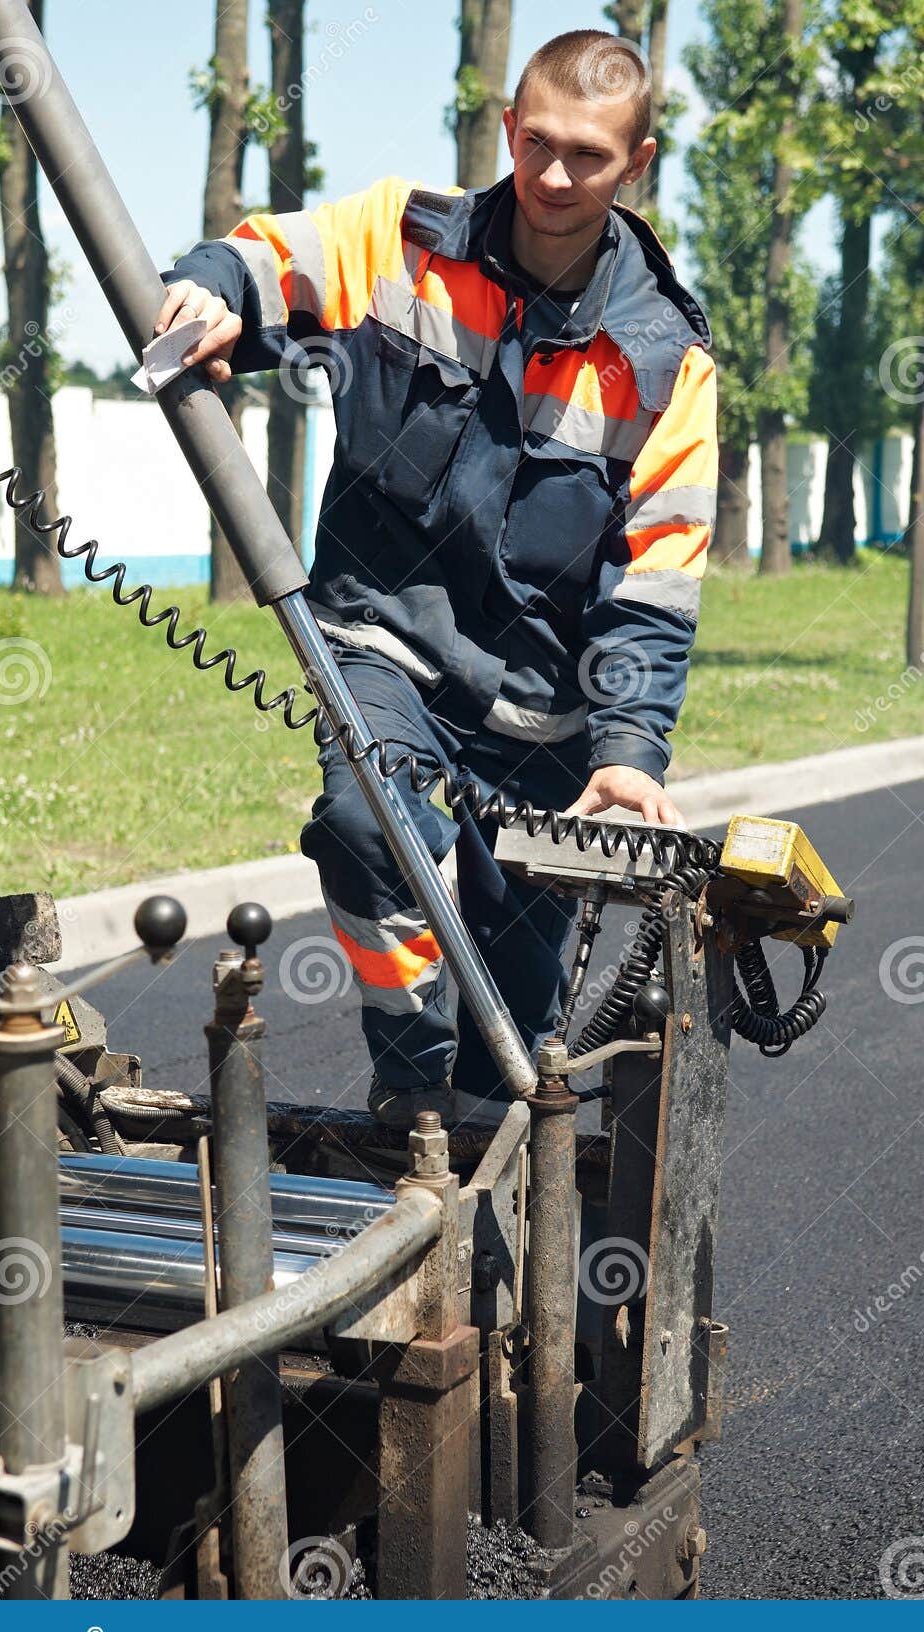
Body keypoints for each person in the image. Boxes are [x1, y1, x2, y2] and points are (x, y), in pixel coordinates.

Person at [155, 28, 717, 1128]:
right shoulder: (397, 238)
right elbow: (266, 258)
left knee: (512, 1050)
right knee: (372, 828)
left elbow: (656, 584)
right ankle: (407, 1091)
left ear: (636, 162)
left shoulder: (666, 364)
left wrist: (627, 753)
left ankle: (482, 1179)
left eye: (589, 157)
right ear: (507, 128)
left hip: (541, 719)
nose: (554, 177)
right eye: (538, 142)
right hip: (381, 642)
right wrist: (207, 287)